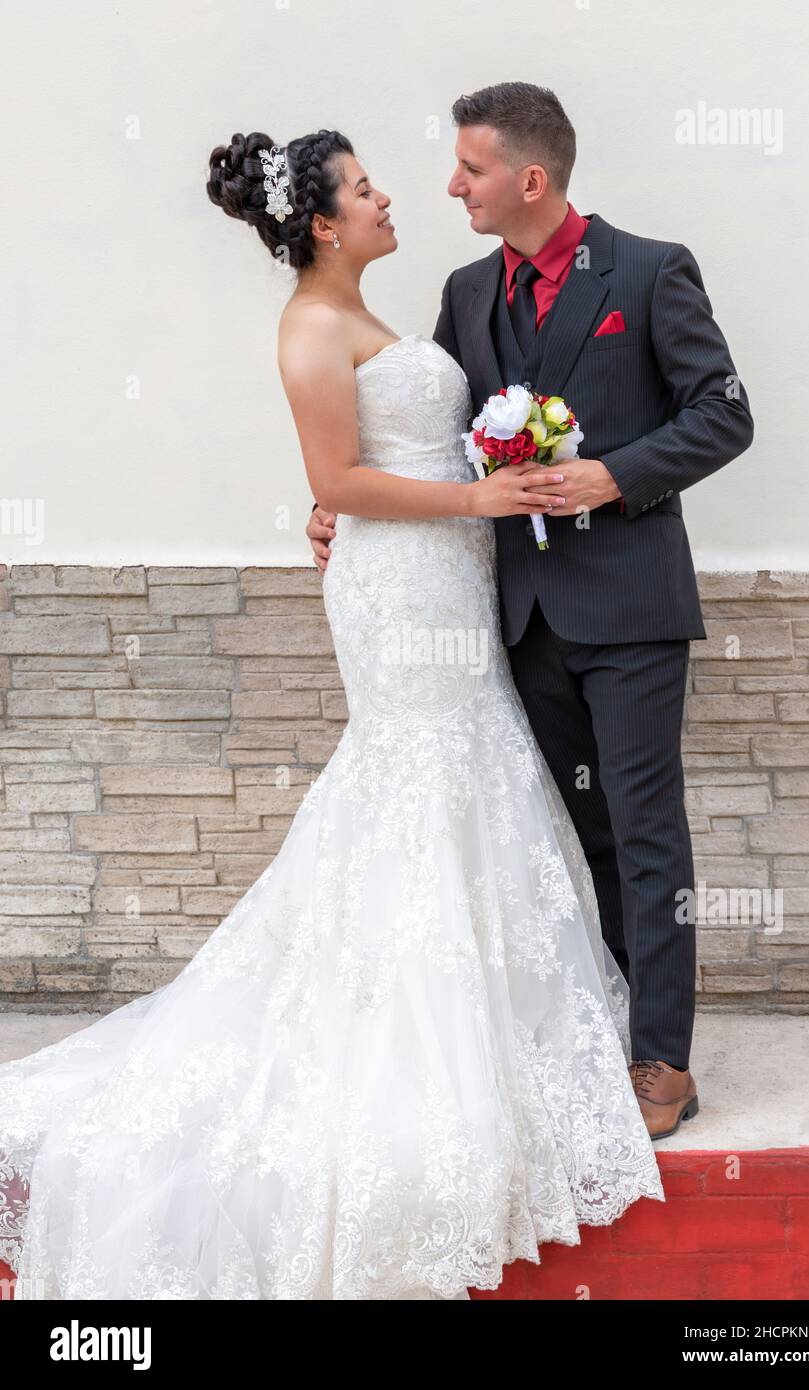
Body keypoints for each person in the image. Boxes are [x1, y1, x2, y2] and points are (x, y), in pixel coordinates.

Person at [0, 123, 665, 1303]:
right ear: (320, 221)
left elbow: (391, 447)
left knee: (475, 770)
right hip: (402, 586)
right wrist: (477, 491)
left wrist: (491, 476)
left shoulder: (390, 309)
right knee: (419, 770)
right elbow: (337, 483)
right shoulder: (308, 326)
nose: (388, 196)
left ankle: (499, 1022)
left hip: (454, 568)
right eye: (364, 189)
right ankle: (411, 1033)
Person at [308, 83, 755, 1138]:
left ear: (530, 179)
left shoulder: (648, 271)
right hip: (515, 614)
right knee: (576, 831)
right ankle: (603, 1017)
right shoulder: (467, 291)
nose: (451, 184)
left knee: (647, 835)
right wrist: (339, 508)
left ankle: (661, 1061)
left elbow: (724, 414)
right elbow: (427, 432)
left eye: (468, 168)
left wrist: (616, 476)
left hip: (632, 608)